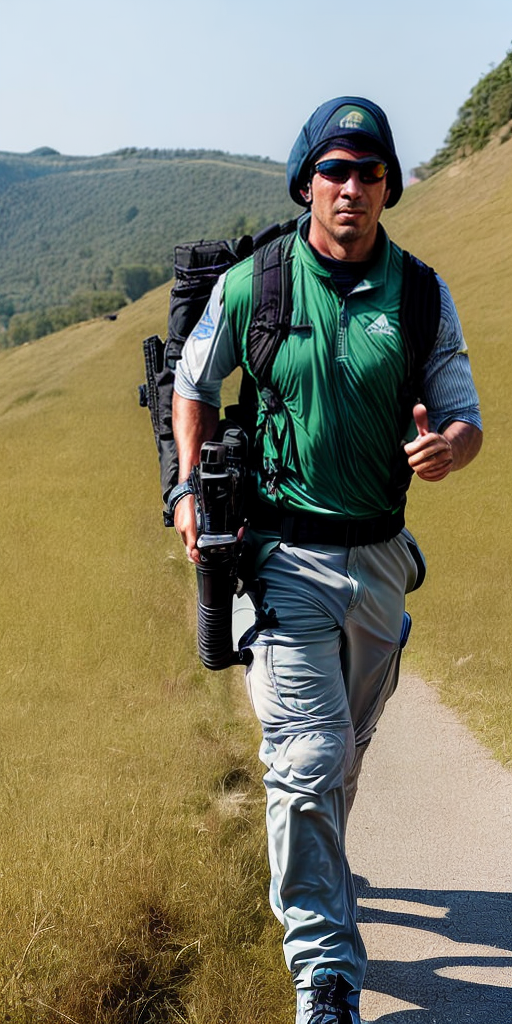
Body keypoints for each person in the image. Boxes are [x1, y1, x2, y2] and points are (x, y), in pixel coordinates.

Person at [171, 96, 483, 1024]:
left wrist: (452, 445)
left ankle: (320, 874)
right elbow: (194, 383)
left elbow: (461, 407)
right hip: (284, 558)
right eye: (335, 171)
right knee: (308, 757)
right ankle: (325, 975)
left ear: (388, 187)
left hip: (381, 558)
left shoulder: (421, 292)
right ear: (307, 182)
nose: (352, 188)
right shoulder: (257, 285)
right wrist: (189, 485)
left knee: (342, 757)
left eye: (370, 172)